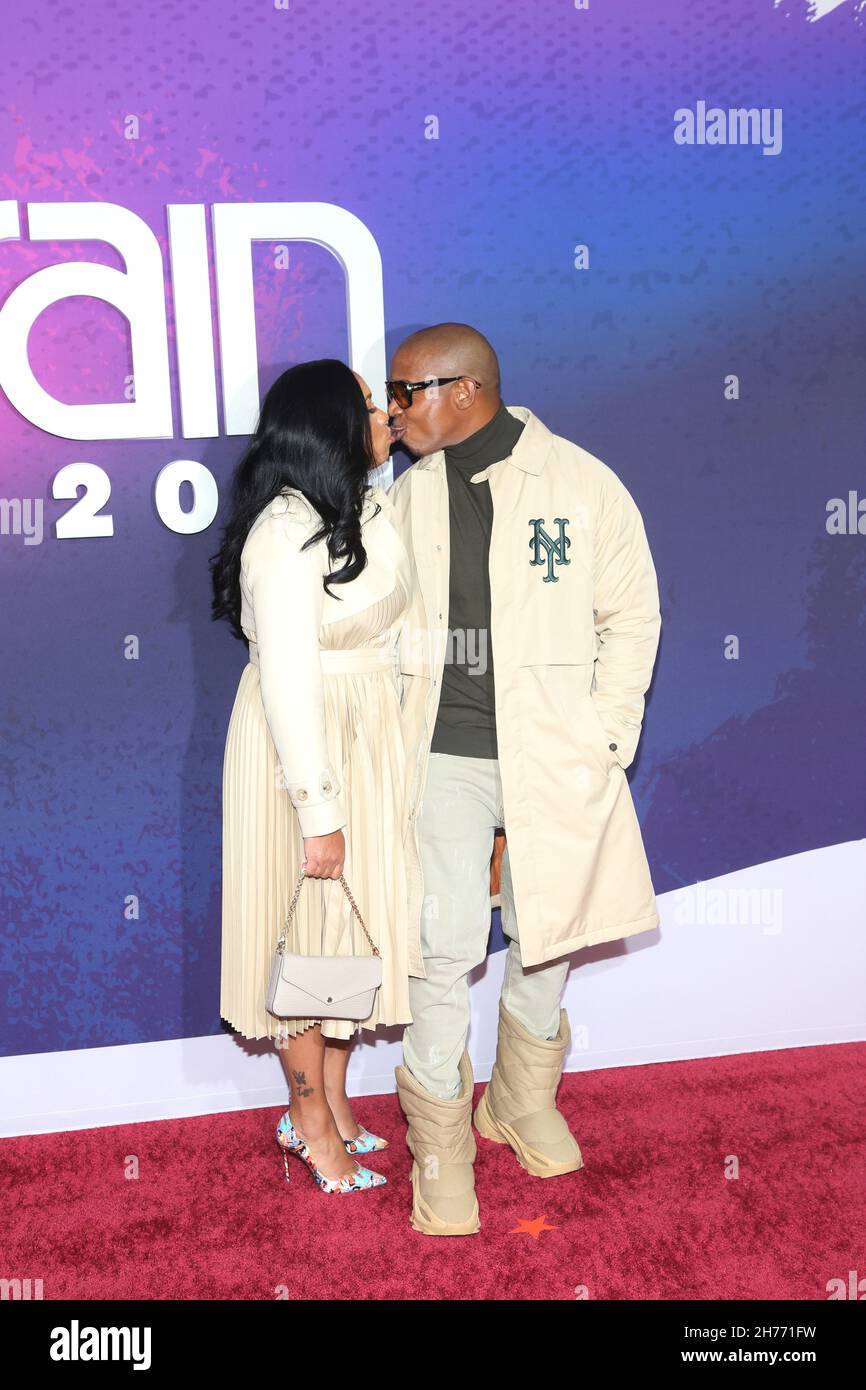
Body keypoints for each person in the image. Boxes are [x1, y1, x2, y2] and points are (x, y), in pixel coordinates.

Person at [386, 323, 662, 1235]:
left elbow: (632, 615)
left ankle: (519, 1100)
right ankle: (440, 1140)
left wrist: (605, 737)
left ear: (462, 389)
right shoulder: (399, 497)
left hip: (553, 750)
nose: (394, 411)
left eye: (406, 391)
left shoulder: (581, 483)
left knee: (551, 931)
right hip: (443, 754)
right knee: (442, 944)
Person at [211, 359, 415, 1195]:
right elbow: (290, 684)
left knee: (341, 937)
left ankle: (331, 1100)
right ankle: (311, 1124)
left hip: (364, 735)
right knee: (302, 937)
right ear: (331, 426)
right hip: (305, 751)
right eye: (369, 406)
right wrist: (318, 810)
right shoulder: (284, 533)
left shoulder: (359, 505)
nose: (389, 415)